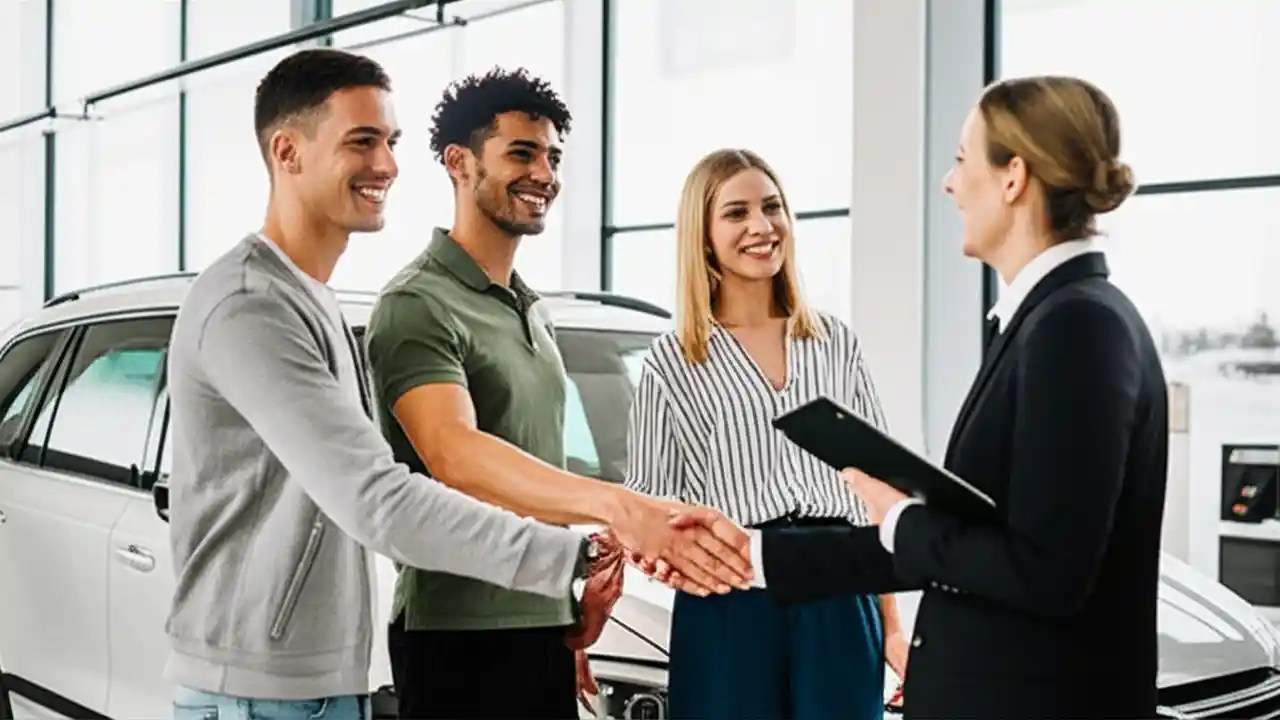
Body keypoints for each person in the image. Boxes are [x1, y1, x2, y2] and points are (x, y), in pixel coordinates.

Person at [163, 49, 610, 720]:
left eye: (391, 142)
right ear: (287, 152)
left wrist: (557, 597)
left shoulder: (312, 299)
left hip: (315, 682)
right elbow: (380, 498)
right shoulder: (248, 304)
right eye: (362, 141)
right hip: (256, 694)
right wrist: (582, 549)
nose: (388, 165)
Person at [738, 76, 1167, 719]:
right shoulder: (1052, 318)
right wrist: (751, 554)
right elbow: (980, 542)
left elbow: (1046, 572)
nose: (949, 183)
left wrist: (899, 517)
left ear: (1014, 177)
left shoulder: (1076, 325)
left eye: (963, 159)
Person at [362, 69, 752, 720]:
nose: (544, 174)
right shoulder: (417, 304)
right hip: (459, 632)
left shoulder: (532, 310)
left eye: (553, 157)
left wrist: (572, 592)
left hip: (546, 624)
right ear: (459, 162)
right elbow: (454, 454)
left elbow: (535, 467)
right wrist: (619, 506)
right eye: (521, 153)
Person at [624, 148, 908, 719]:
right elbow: (650, 509)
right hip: (731, 603)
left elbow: (877, 499)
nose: (761, 226)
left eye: (771, 207)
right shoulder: (671, 362)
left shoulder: (834, 343)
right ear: (703, 237)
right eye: (737, 213)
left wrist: (894, 629)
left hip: (839, 593)